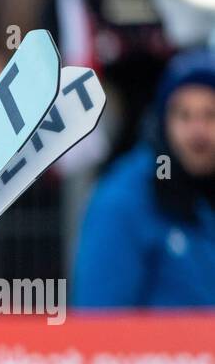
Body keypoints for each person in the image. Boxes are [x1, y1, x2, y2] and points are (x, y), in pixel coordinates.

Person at [72, 48, 215, 309]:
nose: (198, 131)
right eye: (184, 115)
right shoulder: (124, 201)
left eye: (210, 115)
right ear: (162, 121)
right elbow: (98, 320)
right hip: (158, 350)